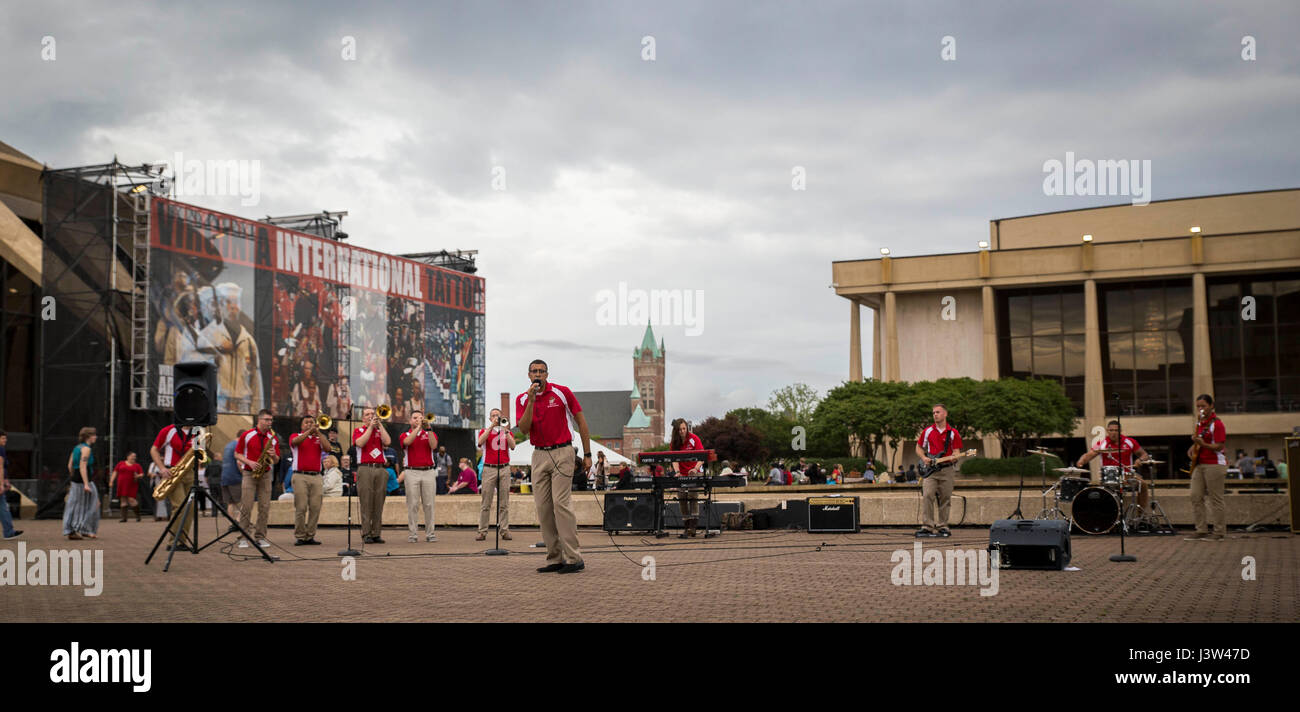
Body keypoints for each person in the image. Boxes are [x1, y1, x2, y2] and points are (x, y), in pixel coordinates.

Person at [517, 359, 591, 574]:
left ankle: (574, 557)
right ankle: (554, 557)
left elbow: (582, 423)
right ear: (528, 375)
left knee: (561, 504)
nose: (538, 374)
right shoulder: (523, 398)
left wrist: (587, 454)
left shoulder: (561, 392)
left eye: (541, 371)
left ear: (547, 374)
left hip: (563, 451)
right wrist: (531, 401)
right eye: (534, 371)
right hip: (539, 454)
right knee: (543, 508)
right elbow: (522, 429)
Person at [1076, 420, 1153, 515]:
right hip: (1108, 476)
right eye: (1111, 430)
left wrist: (1140, 460)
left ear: (1120, 431)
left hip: (1127, 475)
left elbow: (1144, 454)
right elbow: (1088, 455)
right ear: (1107, 431)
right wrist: (1081, 461)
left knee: (1143, 484)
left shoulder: (1129, 442)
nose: (1113, 433)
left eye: (1116, 430)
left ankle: (1140, 515)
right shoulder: (1102, 443)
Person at [234, 409, 281, 549]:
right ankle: (243, 536)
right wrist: (248, 462)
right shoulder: (247, 435)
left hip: (266, 474)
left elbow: (277, 460)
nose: (269, 423)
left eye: (271, 420)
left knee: (264, 507)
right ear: (259, 420)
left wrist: (273, 455)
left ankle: (260, 536)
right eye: (267, 420)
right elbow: (237, 454)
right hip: (249, 473)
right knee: (246, 505)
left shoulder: (273, 438)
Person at [915, 403, 963, 538]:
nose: (935, 414)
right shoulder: (928, 431)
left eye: (938, 412)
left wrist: (955, 458)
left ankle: (943, 526)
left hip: (947, 470)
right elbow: (918, 448)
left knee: (945, 498)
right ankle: (927, 526)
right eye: (933, 413)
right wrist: (924, 457)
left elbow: (956, 452)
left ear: (945, 414)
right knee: (927, 496)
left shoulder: (953, 433)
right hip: (930, 471)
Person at [1185, 394, 1228, 542]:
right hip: (1200, 463)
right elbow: (1200, 439)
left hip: (1214, 464)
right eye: (1198, 406)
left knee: (1216, 498)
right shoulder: (1200, 423)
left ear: (1211, 406)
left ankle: (1219, 531)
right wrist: (1193, 446)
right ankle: (1201, 529)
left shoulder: (1217, 424)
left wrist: (1202, 444)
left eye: (1203, 406)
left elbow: (1219, 446)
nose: (1200, 409)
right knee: (1195, 496)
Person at [150, 422, 200, 547]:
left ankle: (181, 540)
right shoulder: (168, 430)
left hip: (189, 472)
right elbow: (154, 449)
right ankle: (174, 542)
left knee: (191, 507)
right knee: (180, 506)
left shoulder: (198, 431)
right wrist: (161, 468)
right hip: (172, 472)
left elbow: (200, 453)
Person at [352, 405, 392, 544]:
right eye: (367, 414)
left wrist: (379, 425)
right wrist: (370, 427)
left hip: (380, 468)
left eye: (372, 414)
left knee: (379, 501)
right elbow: (360, 443)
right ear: (363, 418)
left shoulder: (379, 430)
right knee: (366, 502)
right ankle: (366, 533)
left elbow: (387, 441)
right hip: (365, 468)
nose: (370, 416)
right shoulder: (359, 430)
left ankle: (376, 533)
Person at [289, 415, 331, 545]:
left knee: (315, 507)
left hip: (316, 476)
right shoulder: (295, 435)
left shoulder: (319, 438)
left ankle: (310, 535)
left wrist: (318, 432)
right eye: (306, 422)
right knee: (301, 507)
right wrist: (308, 432)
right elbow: (295, 442)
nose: (309, 424)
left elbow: (328, 448)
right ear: (301, 425)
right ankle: (300, 535)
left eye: (311, 422)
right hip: (300, 475)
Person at [399, 410, 438, 542]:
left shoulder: (429, 433)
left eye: (420, 418)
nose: (418, 420)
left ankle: (430, 534)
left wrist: (429, 429)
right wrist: (418, 428)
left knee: (429, 504)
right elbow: (407, 442)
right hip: (411, 472)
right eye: (415, 418)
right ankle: (413, 534)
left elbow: (434, 445)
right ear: (410, 420)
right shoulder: (405, 434)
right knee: (413, 504)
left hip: (428, 471)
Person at [476, 408, 515, 541]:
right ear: (489, 418)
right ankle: (482, 531)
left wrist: (506, 430)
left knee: (504, 502)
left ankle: (504, 530)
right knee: (486, 502)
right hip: (489, 468)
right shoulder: (484, 431)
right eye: (493, 416)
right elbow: (480, 442)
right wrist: (491, 427)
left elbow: (513, 446)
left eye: (497, 415)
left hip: (504, 467)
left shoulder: (506, 431)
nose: (495, 418)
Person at [669, 418, 706, 538]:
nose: (682, 431)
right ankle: (686, 526)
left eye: (684, 428)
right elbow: (674, 459)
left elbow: (702, 456)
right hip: (682, 473)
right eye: (679, 429)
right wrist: (677, 472)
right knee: (682, 498)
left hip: (694, 472)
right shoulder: (674, 442)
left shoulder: (694, 439)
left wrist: (695, 469)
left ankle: (693, 527)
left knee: (692, 497)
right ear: (676, 430)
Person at [63, 427, 101, 540]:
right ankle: (75, 530)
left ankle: (84, 529)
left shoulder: (76, 448)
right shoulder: (86, 449)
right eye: (94, 435)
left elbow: (69, 465)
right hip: (83, 481)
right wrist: (85, 484)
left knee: (95, 503)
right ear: (88, 437)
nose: (96, 437)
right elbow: (82, 466)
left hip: (77, 480)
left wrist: (73, 477)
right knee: (80, 506)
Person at [110, 451, 145, 522]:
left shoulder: (137, 465)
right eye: (132, 456)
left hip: (132, 484)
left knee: (131, 499)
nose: (134, 458)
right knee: (123, 499)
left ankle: (138, 516)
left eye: (135, 456)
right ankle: (124, 518)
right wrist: (111, 481)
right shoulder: (121, 463)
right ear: (128, 457)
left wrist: (138, 476)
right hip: (122, 484)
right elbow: (115, 472)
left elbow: (142, 474)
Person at [0, 431, 21, 540]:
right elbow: (0, 467)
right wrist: (1, 484)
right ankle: (8, 532)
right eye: (3, 438)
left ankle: (9, 531)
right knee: (3, 507)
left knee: (3, 506)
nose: (5, 440)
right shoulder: (1, 450)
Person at [220, 437, 242, 519]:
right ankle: (239, 521)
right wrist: (244, 474)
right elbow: (239, 462)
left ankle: (231, 522)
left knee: (230, 502)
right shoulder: (238, 445)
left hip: (225, 477)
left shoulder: (228, 445)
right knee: (243, 501)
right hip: (235, 478)